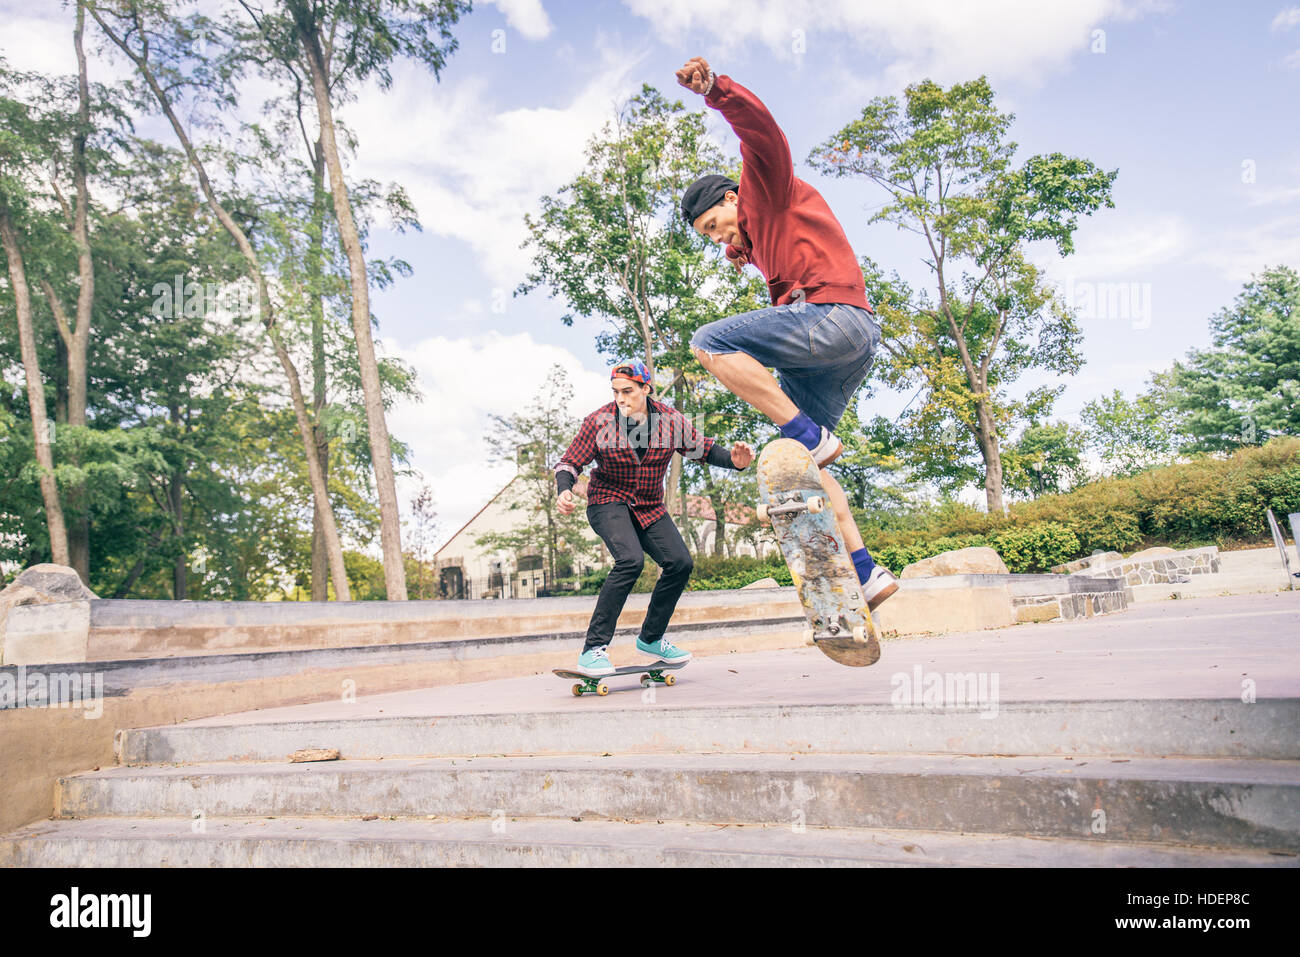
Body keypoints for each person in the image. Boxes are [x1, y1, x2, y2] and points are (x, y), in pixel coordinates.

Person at [676, 55, 899, 611]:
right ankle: (867, 572)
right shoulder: (752, 233)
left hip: (832, 318)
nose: (717, 239)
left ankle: (809, 431)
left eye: (714, 226)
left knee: (709, 340)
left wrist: (718, 92)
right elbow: (747, 240)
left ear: (731, 198)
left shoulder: (763, 192)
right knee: (801, 465)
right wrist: (736, 246)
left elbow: (764, 135)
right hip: (843, 348)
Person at [555, 360, 753, 677]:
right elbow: (569, 463)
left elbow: (704, 450)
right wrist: (564, 490)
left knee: (680, 562)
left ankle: (651, 638)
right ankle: (593, 649)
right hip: (608, 502)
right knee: (630, 561)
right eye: (616, 392)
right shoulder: (598, 421)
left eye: (629, 392)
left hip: (649, 506)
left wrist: (735, 461)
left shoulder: (671, 421)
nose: (621, 399)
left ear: (647, 389)